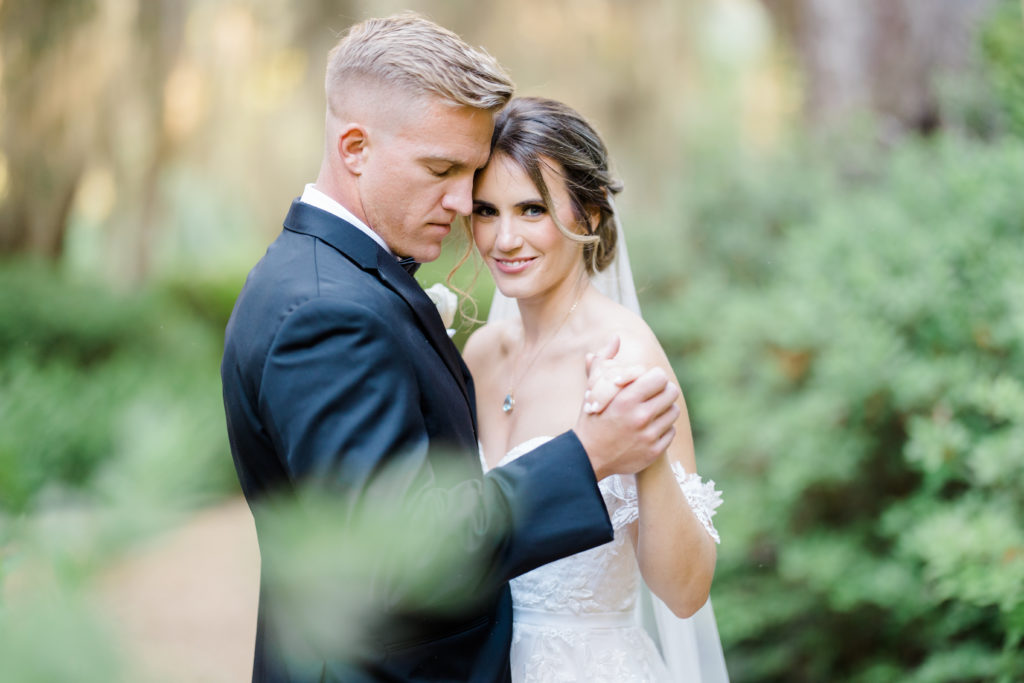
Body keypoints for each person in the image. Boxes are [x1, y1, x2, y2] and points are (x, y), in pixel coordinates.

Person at [220, 13, 683, 683]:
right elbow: (398, 553)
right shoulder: (327, 312)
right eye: (442, 169)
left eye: (474, 175)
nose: (466, 204)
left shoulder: (329, 278)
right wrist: (589, 454)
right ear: (354, 147)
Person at [464, 97, 727, 682]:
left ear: (587, 214)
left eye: (531, 210)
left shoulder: (626, 356)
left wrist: (646, 455)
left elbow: (685, 593)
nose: (504, 239)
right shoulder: (481, 355)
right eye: (486, 211)